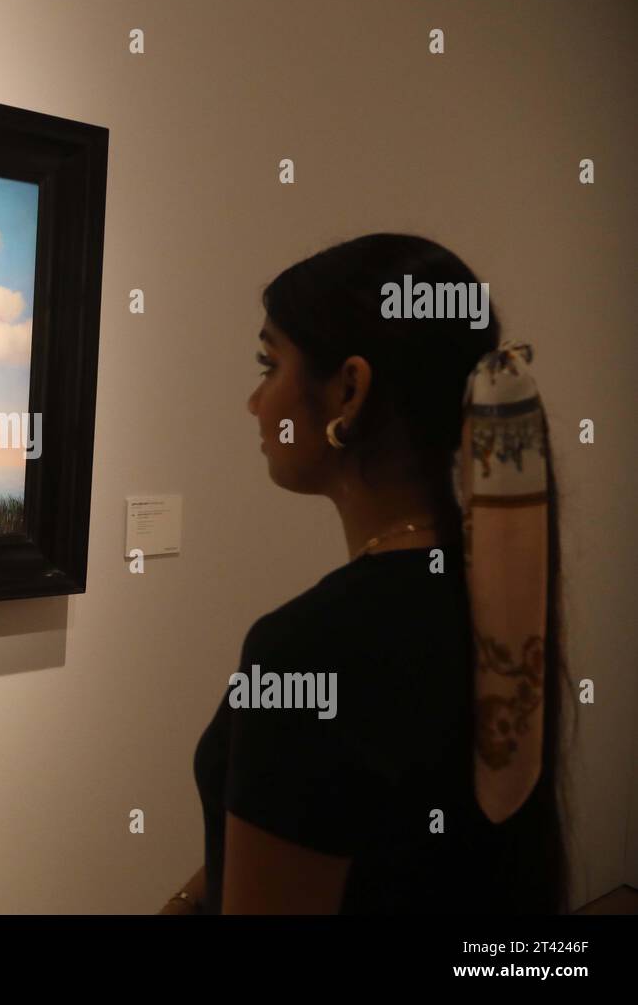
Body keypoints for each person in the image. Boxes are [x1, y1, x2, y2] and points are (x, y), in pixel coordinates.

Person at [162, 233, 573, 914]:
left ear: (348, 391)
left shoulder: (303, 650)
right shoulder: (492, 596)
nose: (254, 401)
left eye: (270, 363)